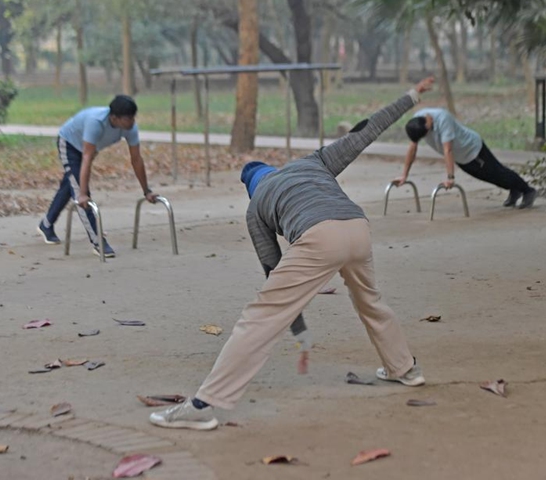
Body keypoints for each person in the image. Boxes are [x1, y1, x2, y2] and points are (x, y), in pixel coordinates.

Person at [148, 77, 435, 431]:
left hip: (318, 235)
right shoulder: (313, 163)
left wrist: (299, 330)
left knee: (260, 318)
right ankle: (405, 368)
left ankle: (202, 405)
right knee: (370, 300)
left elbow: (274, 272)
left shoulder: (256, 210)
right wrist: (410, 96)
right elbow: (365, 132)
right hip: (357, 226)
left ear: (251, 189)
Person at [36, 95, 158, 257]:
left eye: (133, 117)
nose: (132, 121)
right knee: (80, 191)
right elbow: (87, 157)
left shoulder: (130, 128)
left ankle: (46, 224)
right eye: (128, 118)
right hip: (70, 143)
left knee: (70, 186)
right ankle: (98, 241)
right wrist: (83, 194)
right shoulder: (96, 122)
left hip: (88, 148)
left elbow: (136, 159)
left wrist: (146, 191)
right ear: (114, 118)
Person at [394, 108, 537, 209]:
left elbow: (447, 149)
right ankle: (514, 190)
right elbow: (412, 149)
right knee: (489, 177)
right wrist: (404, 175)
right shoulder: (418, 124)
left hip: (473, 149)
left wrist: (450, 177)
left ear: (427, 122)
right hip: (462, 158)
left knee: (497, 172)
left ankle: (527, 190)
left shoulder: (443, 118)